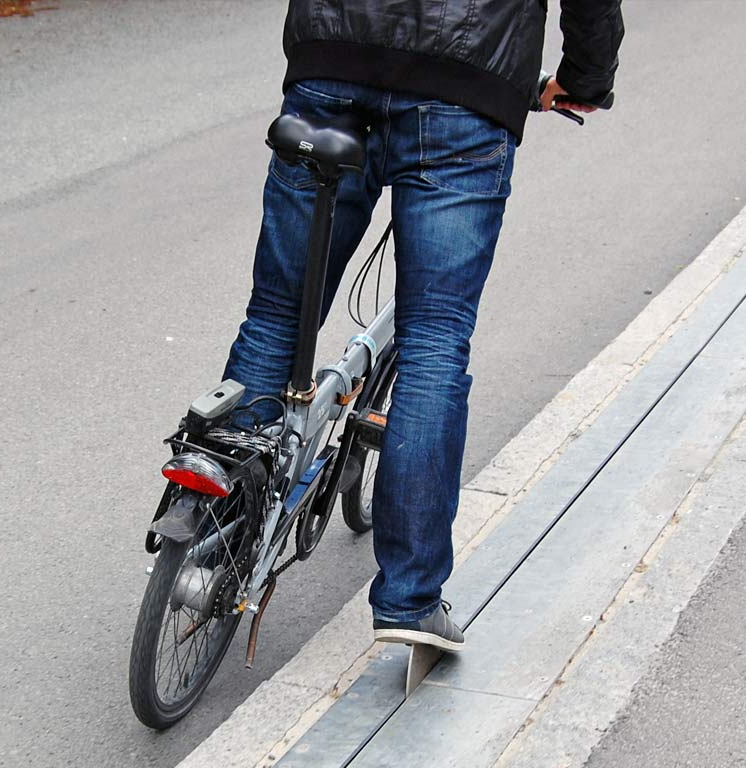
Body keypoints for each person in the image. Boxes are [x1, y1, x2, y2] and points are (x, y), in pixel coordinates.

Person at [223, 0, 624, 651]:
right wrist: (584, 79)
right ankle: (409, 603)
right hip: (465, 89)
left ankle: (218, 535)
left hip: (332, 62)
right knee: (434, 342)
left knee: (276, 317)